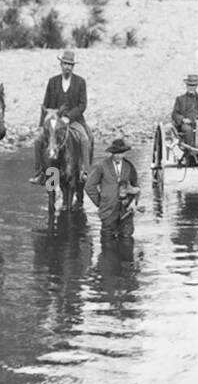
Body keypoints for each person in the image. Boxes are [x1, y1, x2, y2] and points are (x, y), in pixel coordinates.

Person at [30, 49, 90, 184]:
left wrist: (68, 117)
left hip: (74, 120)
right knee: (38, 141)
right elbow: (45, 105)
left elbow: (82, 105)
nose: (67, 67)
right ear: (61, 64)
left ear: (73, 66)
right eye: (65, 64)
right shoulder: (53, 82)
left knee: (85, 139)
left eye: (70, 64)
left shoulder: (80, 82)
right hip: (54, 121)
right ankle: (39, 173)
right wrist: (41, 125)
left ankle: (85, 171)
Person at [85, 137, 141, 241]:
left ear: (125, 153)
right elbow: (89, 187)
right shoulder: (101, 166)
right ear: (112, 153)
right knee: (107, 242)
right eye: (116, 153)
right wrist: (100, 202)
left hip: (126, 211)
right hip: (108, 211)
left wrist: (134, 202)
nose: (119, 156)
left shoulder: (129, 167)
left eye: (121, 153)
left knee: (127, 240)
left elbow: (136, 186)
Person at [172, 74, 198, 143]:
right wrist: (183, 119)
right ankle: (191, 151)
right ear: (186, 86)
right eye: (189, 85)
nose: (191, 87)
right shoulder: (180, 99)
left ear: (196, 86)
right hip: (186, 124)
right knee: (188, 130)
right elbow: (175, 113)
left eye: (193, 86)